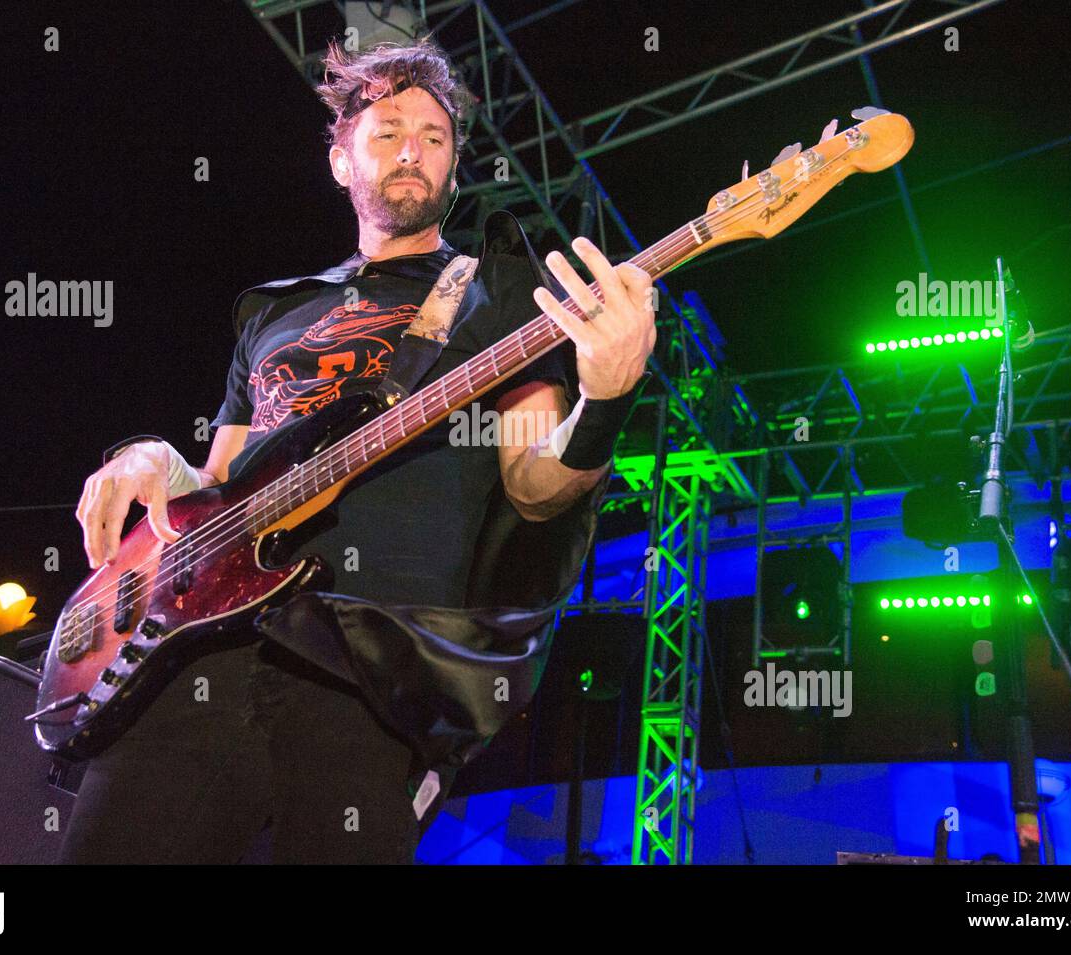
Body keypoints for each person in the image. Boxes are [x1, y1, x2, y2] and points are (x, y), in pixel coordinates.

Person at [60, 36, 655, 864]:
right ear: (341, 160)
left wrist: (608, 398)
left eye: (434, 136)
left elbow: (534, 485)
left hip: (369, 671)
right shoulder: (271, 311)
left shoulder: (498, 291)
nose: (412, 149)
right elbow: (225, 487)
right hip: (196, 660)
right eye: (386, 131)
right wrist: (156, 459)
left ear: (452, 168)